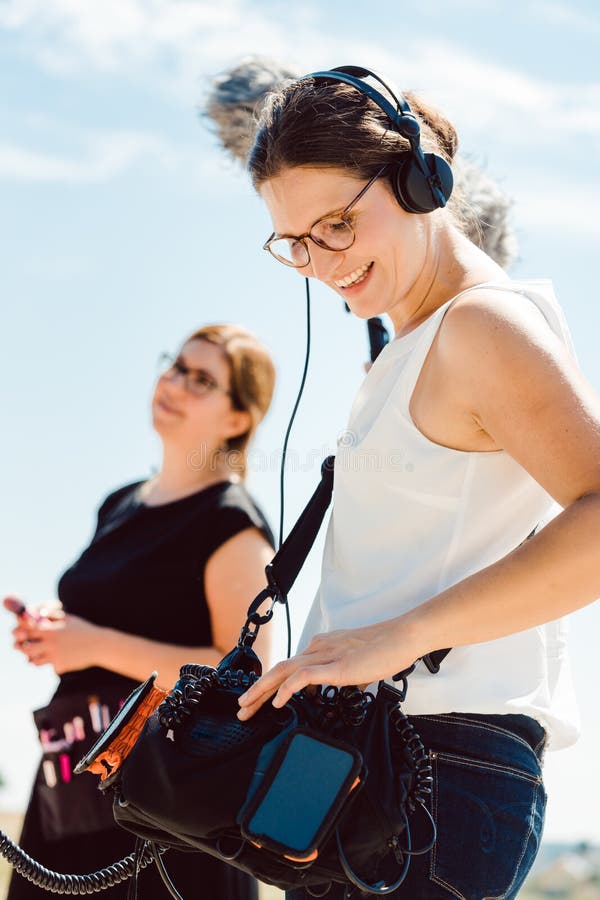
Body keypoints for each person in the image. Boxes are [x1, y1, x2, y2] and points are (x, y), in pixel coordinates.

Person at [234, 67, 600, 899]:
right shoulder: (415, 344)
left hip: (440, 766)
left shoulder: (482, 325)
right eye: (296, 242)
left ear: (417, 178)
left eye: (337, 223)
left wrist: (399, 638)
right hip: (373, 757)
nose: (321, 263)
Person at [5, 323, 276, 900]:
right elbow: (114, 615)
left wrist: (94, 643)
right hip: (71, 782)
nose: (174, 382)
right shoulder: (119, 503)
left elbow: (241, 681)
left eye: (201, 378)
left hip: (166, 813)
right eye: (175, 365)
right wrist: (57, 631)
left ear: (237, 419)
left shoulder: (234, 524)